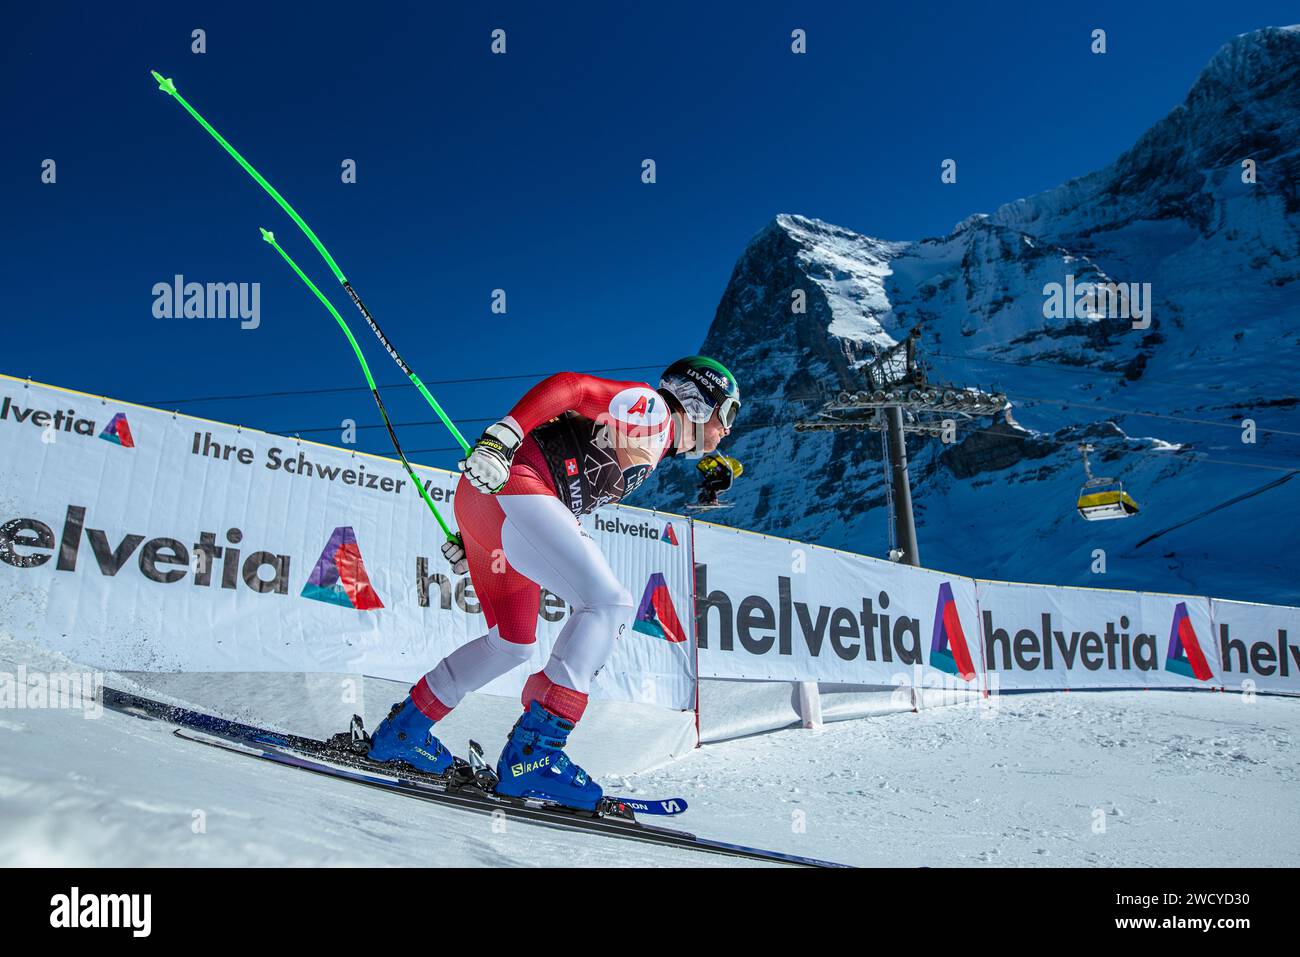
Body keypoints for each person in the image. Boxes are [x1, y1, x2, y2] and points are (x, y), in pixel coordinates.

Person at [367, 356, 740, 810]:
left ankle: (404, 732)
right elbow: (574, 386)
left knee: (511, 643)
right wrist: (502, 437)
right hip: (513, 482)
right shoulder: (655, 412)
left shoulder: (652, 446)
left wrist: (481, 534)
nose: (725, 431)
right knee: (609, 604)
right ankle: (533, 757)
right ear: (698, 403)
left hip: (498, 505)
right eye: (726, 416)